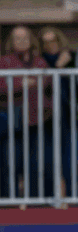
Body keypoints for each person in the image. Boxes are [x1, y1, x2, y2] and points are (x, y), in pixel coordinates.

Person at [0, 25, 53, 199]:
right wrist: (23, 83)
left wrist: (26, 81)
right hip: (14, 122)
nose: (22, 41)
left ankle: (36, 200)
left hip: (38, 121)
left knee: (37, 163)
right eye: (17, 38)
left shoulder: (39, 61)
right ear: (11, 42)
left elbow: (48, 82)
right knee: (11, 163)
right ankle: (10, 202)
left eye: (25, 37)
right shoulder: (3, 62)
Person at [39, 26, 74, 198]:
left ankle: (74, 195)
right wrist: (58, 66)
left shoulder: (72, 57)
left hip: (70, 114)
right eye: (45, 42)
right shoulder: (41, 60)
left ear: (59, 41)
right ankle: (48, 196)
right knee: (48, 157)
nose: (50, 45)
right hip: (47, 115)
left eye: (53, 41)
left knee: (71, 156)